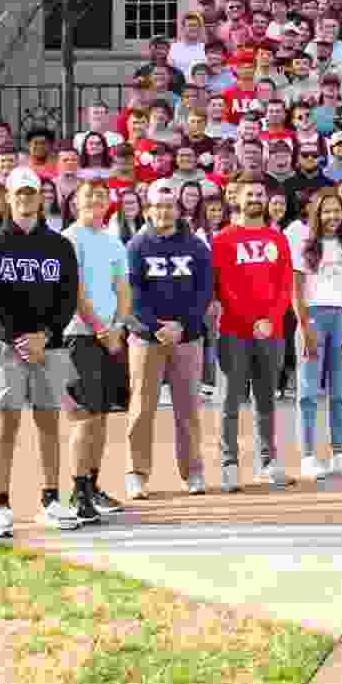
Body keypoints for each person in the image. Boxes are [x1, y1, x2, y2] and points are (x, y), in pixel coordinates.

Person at [0, 167, 85, 532]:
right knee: (6, 425)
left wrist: (45, 334)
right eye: (19, 194)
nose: (25, 199)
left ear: (42, 198)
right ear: (8, 198)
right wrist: (19, 339)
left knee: (48, 424)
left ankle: (51, 499)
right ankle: (1, 503)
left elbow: (67, 298)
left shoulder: (59, 246)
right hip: (9, 349)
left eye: (31, 193)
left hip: (50, 348)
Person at [125, 181, 214, 497]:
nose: (164, 212)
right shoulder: (137, 245)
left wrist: (182, 325)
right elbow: (133, 294)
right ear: (149, 211)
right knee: (141, 408)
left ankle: (193, 472)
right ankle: (137, 472)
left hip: (187, 338)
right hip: (146, 339)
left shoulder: (196, 247)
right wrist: (155, 327)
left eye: (169, 206)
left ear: (178, 210)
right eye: (158, 206)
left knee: (187, 408)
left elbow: (205, 291)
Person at [212, 176, 295, 490]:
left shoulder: (278, 240)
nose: (255, 198)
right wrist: (252, 321)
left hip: (271, 332)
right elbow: (224, 288)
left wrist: (270, 319)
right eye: (250, 194)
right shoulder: (223, 240)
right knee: (231, 399)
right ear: (237, 198)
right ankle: (229, 463)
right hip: (235, 331)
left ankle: (268, 460)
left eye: (260, 194)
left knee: (267, 401)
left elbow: (285, 285)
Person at [62, 180, 134, 525]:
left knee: (103, 415)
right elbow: (74, 290)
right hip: (80, 336)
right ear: (76, 202)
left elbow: (123, 288)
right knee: (85, 416)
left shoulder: (113, 240)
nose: (95, 201)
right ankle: (77, 491)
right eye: (89, 196)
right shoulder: (69, 239)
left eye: (101, 197)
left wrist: (118, 326)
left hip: (111, 337)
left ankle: (92, 483)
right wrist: (99, 328)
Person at [288, 187, 342, 478]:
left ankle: (339, 453)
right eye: (326, 211)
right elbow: (296, 292)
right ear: (316, 214)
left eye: (337, 211)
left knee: (341, 390)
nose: (332, 216)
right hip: (314, 318)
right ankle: (307, 456)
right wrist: (305, 327)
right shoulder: (305, 245)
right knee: (307, 392)